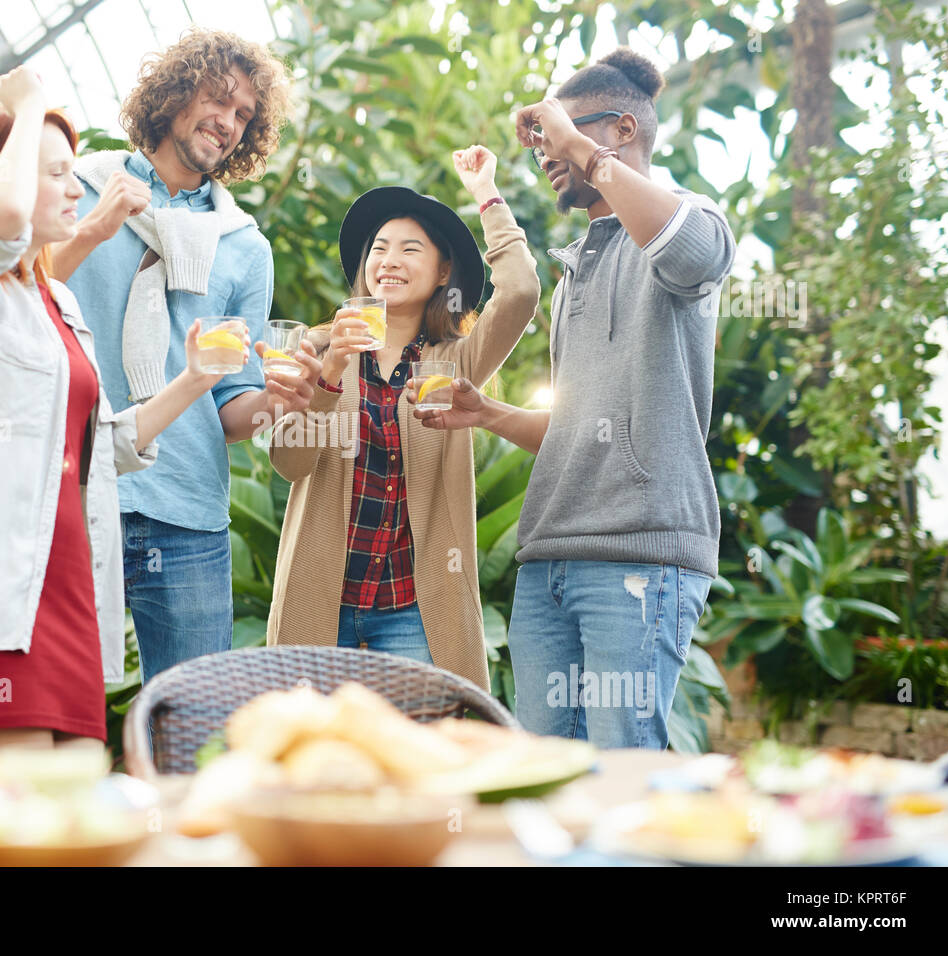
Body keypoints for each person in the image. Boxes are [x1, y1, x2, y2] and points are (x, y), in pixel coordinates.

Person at [0, 67, 240, 750]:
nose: (76, 188)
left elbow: (107, 450)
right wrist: (29, 100)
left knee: (69, 815)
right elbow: (3, 221)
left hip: (72, 600)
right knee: (11, 831)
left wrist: (192, 380)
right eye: (56, 173)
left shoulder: (55, 305)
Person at [410, 48, 735, 748]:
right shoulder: (580, 263)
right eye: (544, 141)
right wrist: (488, 413)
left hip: (638, 558)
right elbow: (581, 426)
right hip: (549, 558)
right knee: (542, 774)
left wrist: (579, 149)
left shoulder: (690, 218)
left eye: (560, 132)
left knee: (624, 770)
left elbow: (691, 255)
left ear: (621, 129)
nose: (547, 154)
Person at [53, 29, 320, 683]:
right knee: (57, 702)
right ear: (173, 94)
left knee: (194, 717)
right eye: (218, 99)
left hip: (188, 510)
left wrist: (274, 404)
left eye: (244, 116)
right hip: (79, 488)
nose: (228, 123)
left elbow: (231, 409)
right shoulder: (83, 190)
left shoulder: (244, 246)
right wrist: (96, 229)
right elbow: (24, 298)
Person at [266, 146, 540, 688]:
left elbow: (523, 291)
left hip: (415, 610)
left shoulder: (456, 361)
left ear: (443, 273)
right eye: (380, 248)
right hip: (321, 602)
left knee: (429, 760)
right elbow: (288, 464)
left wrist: (486, 193)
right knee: (317, 763)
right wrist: (332, 369)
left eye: (410, 249)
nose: (388, 260)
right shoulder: (312, 347)